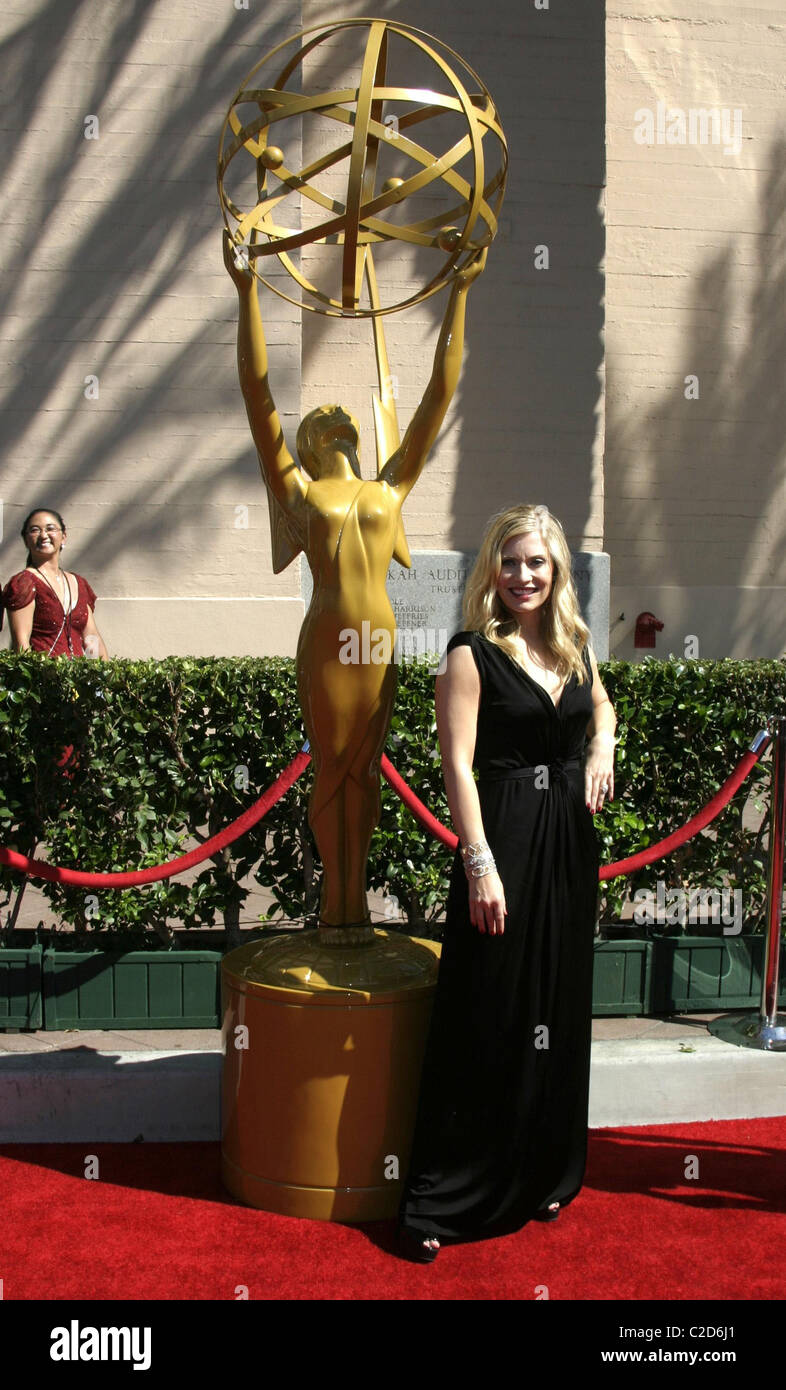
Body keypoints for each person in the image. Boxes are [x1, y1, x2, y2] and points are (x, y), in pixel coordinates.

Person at [223, 229, 486, 928]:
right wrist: (247, 289)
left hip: (376, 641)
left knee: (364, 774)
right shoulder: (300, 496)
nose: (335, 415)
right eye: (320, 417)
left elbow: (439, 391)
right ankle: (336, 908)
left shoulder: (388, 487)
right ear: (309, 444)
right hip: (332, 638)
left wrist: (460, 288)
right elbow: (256, 391)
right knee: (330, 772)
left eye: (341, 416)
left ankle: (353, 909)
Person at [397, 503, 617, 1260]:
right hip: (507, 838)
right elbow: (456, 764)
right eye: (512, 561)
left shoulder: (573, 645)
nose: (524, 575)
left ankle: (546, 1169)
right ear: (492, 569)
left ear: (556, 572)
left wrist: (601, 751)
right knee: (489, 1005)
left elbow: (603, 706)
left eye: (538, 563)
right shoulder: (470, 652)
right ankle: (444, 1197)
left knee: (556, 997)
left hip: (568, 847)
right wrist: (478, 861)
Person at [1, 508, 108, 658]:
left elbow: (91, 638)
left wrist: (100, 675)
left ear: (63, 536)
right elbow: (21, 643)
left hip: (78, 679)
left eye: (50, 529)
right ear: (25, 540)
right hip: (43, 678)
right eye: (35, 530)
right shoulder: (24, 583)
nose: (44, 535)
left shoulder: (79, 583)